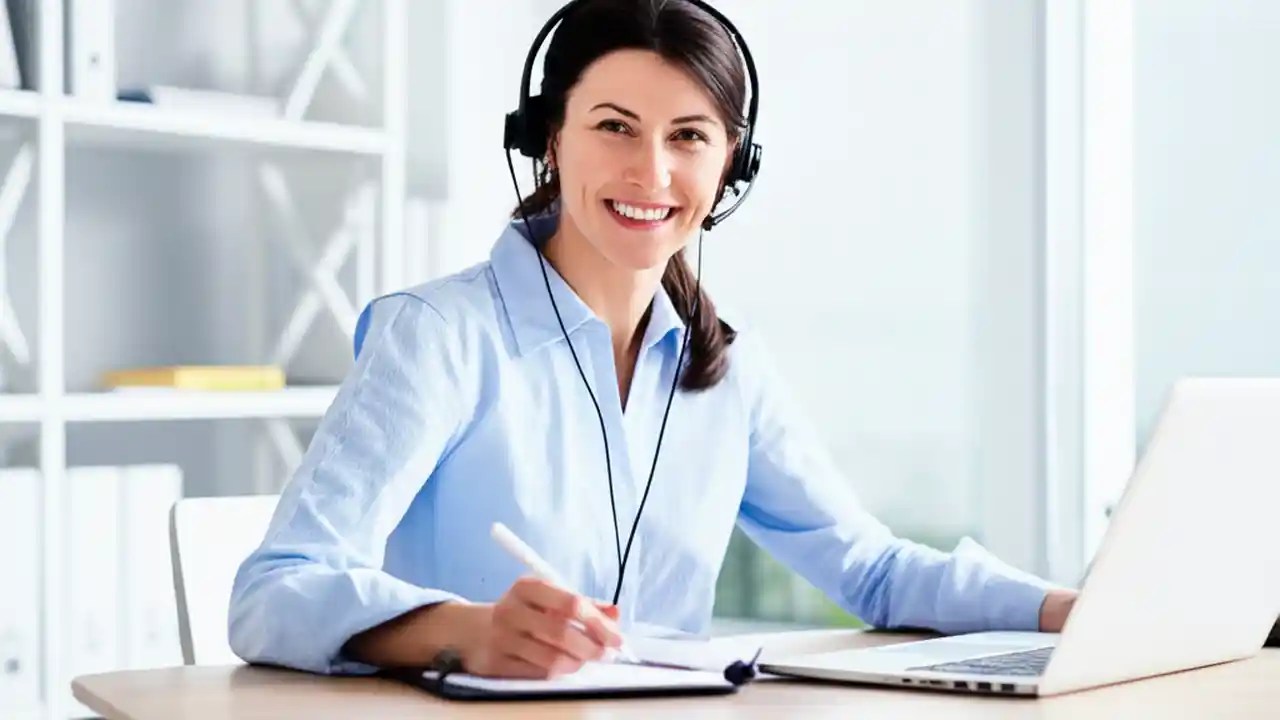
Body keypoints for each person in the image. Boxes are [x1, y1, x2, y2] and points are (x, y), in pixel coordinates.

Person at [228, 0, 1077, 680]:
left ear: (730, 167)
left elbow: (873, 571)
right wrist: (464, 631)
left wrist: (1072, 611)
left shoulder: (729, 373)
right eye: (615, 126)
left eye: (689, 137)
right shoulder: (440, 336)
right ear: (549, 140)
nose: (653, 172)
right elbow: (274, 590)